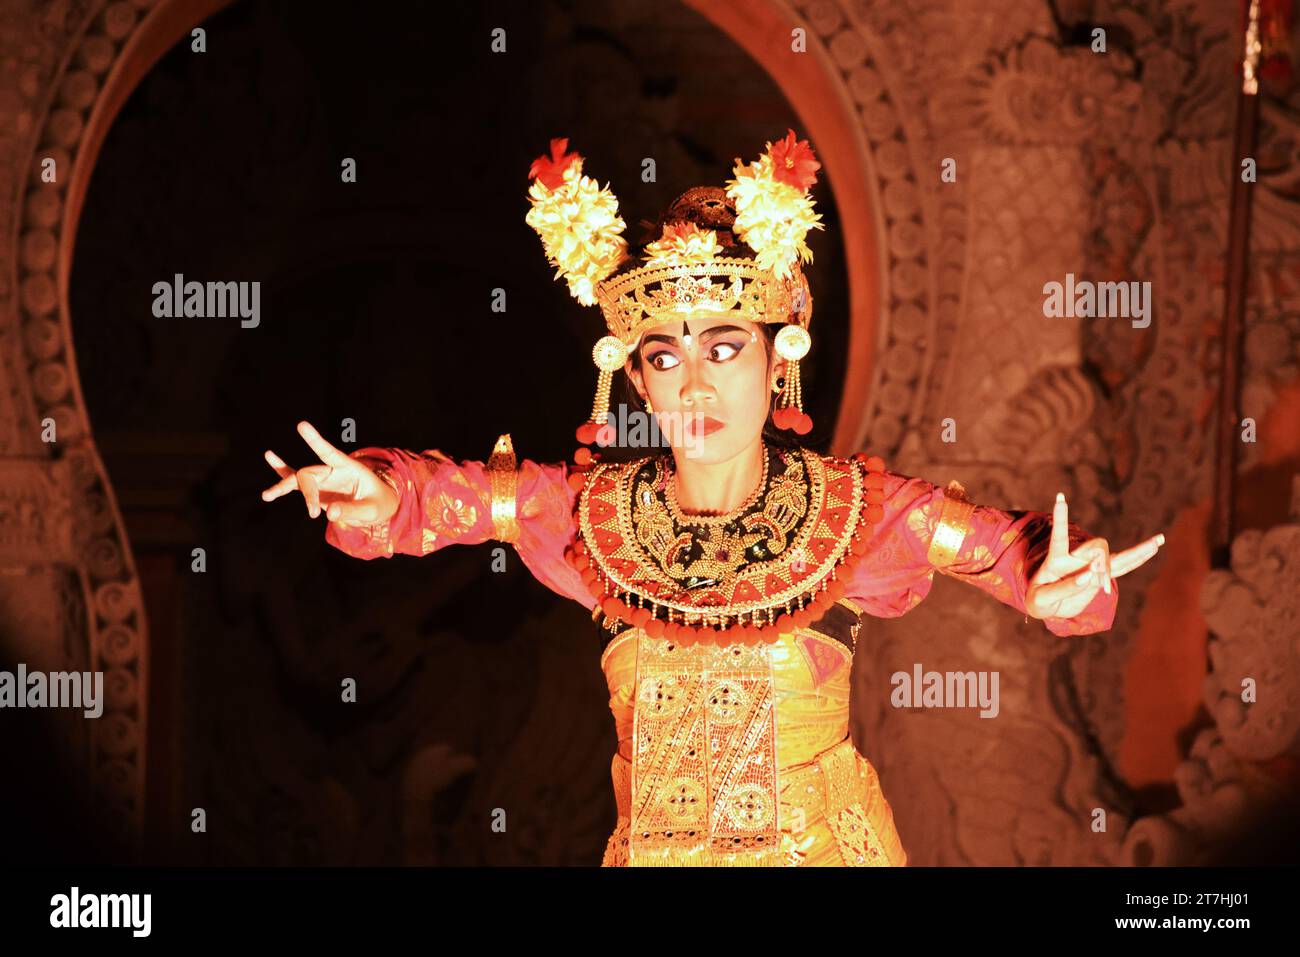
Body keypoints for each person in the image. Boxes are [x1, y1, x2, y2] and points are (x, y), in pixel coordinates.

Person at [260, 131, 1165, 866]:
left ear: (778, 362)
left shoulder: (857, 513)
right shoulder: (593, 519)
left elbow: (1004, 551)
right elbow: (463, 498)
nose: (694, 385)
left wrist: (1053, 585)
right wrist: (381, 493)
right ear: (638, 383)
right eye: (665, 357)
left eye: (724, 349)